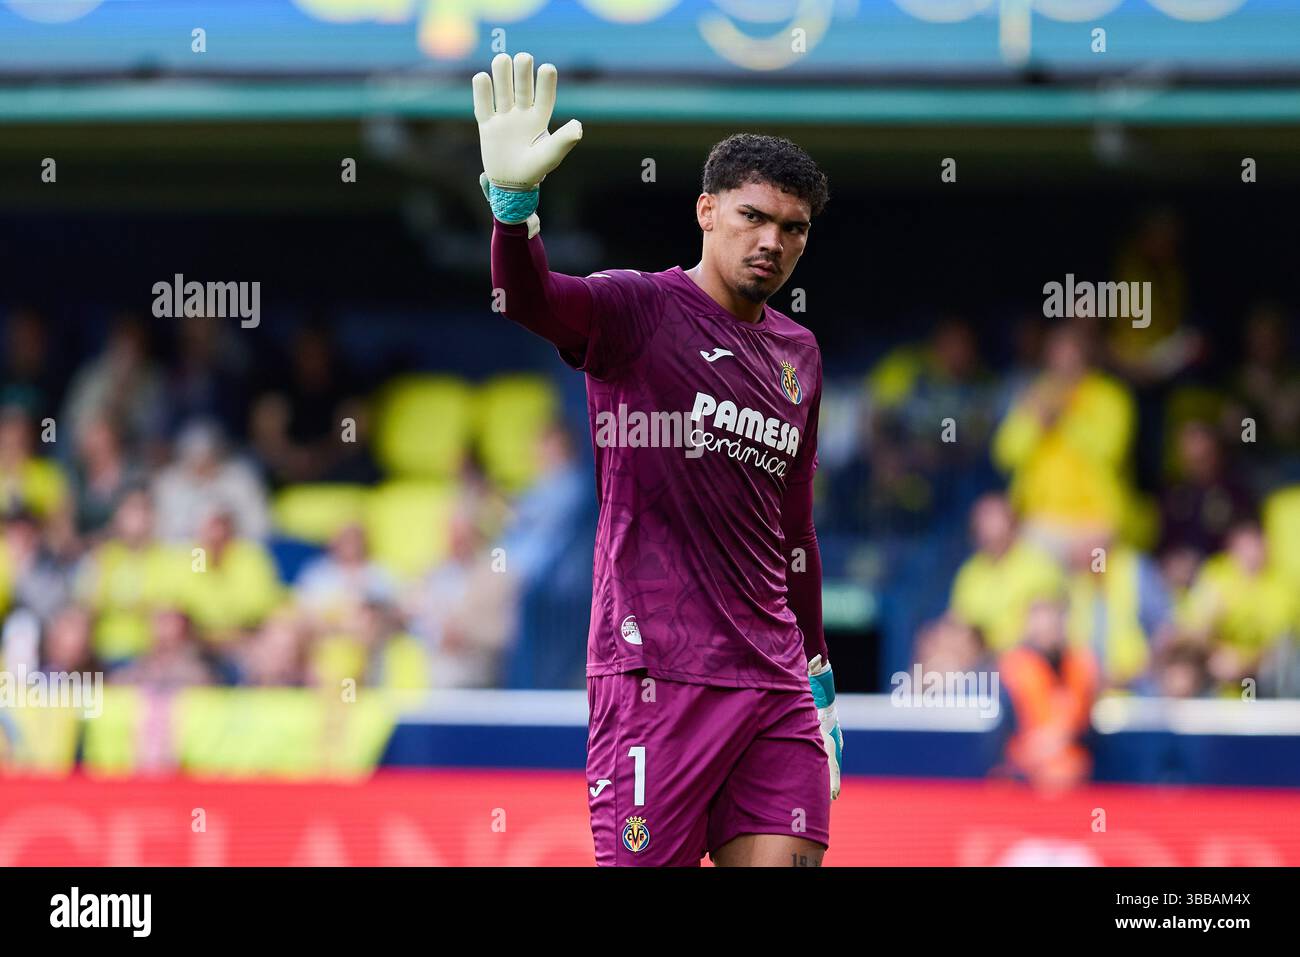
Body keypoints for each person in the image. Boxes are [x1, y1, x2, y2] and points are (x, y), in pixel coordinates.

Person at [475, 51, 837, 867]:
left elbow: (794, 528)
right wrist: (513, 208)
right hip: (656, 674)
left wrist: (817, 668)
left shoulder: (800, 354)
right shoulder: (640, 309)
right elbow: (530, 298)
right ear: (706, 211)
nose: (772, 241)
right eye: (753, 217)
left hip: (774, 679)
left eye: (793, 228)